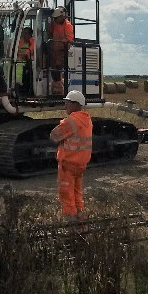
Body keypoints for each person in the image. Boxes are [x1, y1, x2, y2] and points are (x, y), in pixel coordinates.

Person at [50, 90, 93, 221]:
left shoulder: (71, 121)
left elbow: (54, 136)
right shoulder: (87, 119)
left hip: (68, 164)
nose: (65, 106)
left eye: (67, 103)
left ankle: (70, 223)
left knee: (66, 194)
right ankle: (80, 218)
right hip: (80, 165)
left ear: (75, 104)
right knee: (77, 193)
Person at [49, 6, 73, 96]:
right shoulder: (54, 23)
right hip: (54, 50)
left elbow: (69, 39)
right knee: (53, 70)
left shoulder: (68, 26)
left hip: (62, 51)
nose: (55, 19)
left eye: (56, 18)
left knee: (58, 69)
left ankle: (59, 90)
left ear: (62, 16)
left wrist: (61, 41)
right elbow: (50, 32)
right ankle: (56, 89)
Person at [16, 24, 35, 94]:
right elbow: (16, 50)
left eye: (26, 33)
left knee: (19, 66)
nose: (24, 35)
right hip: (18, 58)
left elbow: (28, 52)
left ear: (30, 34)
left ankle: (18, 83)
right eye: (23, 33)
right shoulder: (21, 41)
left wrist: (20, 56)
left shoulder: (33, 42)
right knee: (6, 64)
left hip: (28, 60)